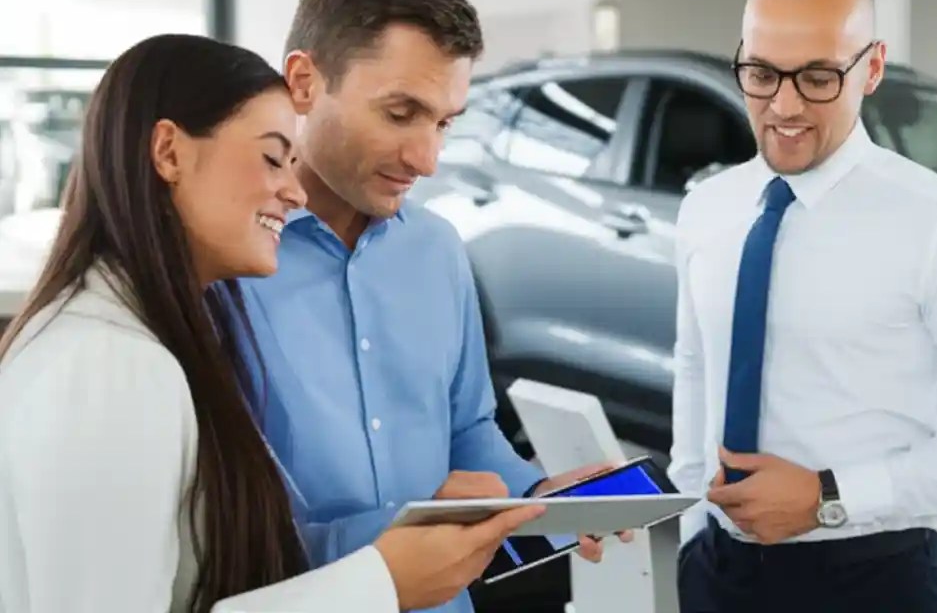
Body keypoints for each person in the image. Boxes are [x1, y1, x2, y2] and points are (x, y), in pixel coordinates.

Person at [0, 34, 545, 613]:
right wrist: (379, 583)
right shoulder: (113, 366)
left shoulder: (121, 343)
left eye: (443, 124)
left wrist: (531, 502)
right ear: (169, 152)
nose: (294, 190)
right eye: (271, 158)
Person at [667, 0, 937, 612]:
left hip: (874, 578)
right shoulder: (707, 207)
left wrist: (829, 497)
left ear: (872, 68)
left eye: (818, 77)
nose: (783, 105)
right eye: (761, 74)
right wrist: (690, 532)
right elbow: (695, 368)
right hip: (717, 574)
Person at [236, 0, 622, 613]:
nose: (427, 158)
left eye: (443, 122)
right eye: (399, 113)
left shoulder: (438, 251)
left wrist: (534, 498)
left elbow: (466, 429)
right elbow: (216, 524)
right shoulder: (225, 264)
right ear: (303, 82)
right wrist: (394, 545)